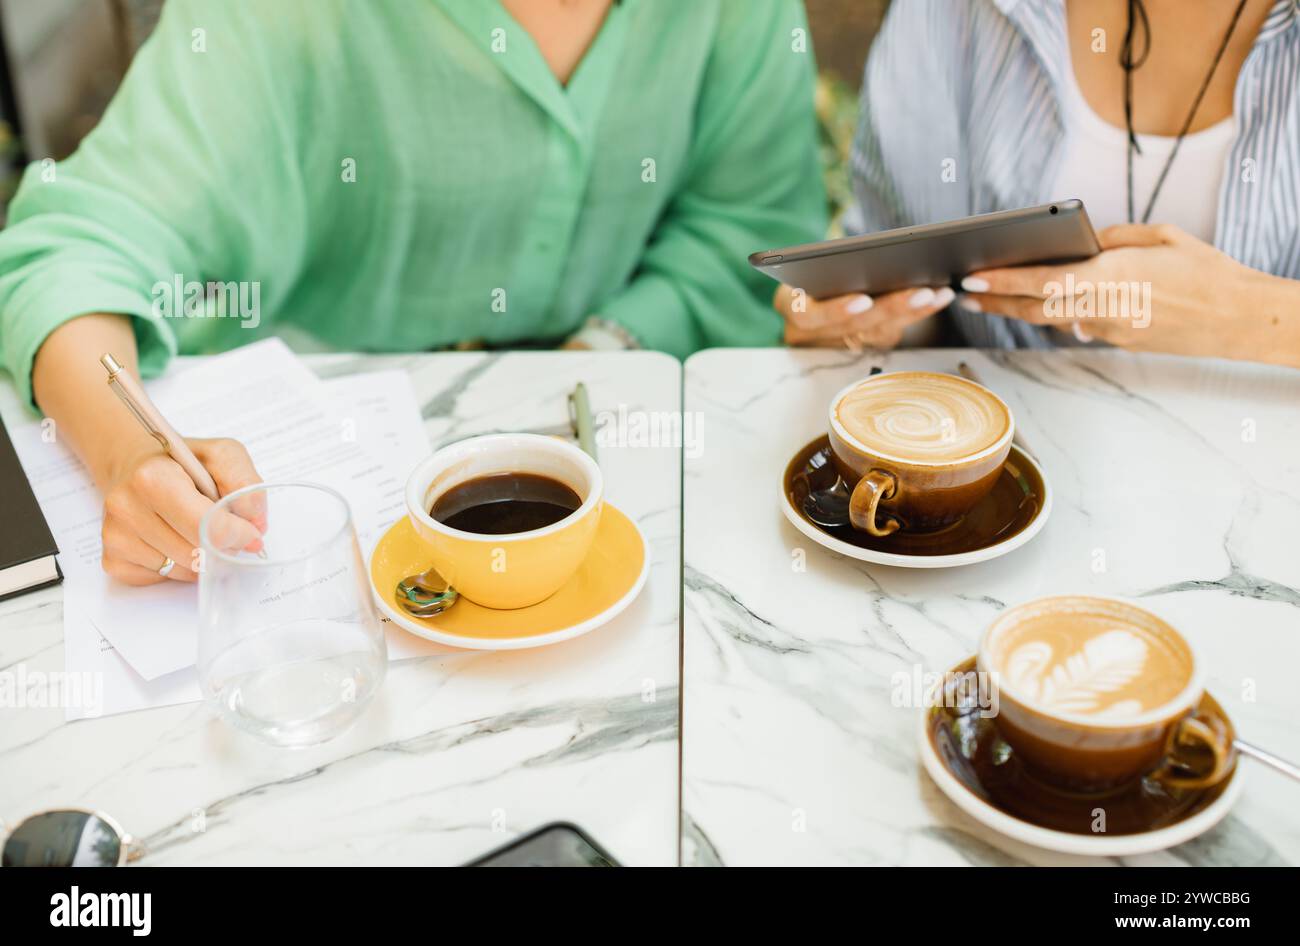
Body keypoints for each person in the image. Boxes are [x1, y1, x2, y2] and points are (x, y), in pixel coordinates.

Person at [0, 0, 825, 585]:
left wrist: (603, 349)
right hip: (298, 475)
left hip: (620, 446)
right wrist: (130, 455)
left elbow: (742, 234)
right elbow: (71, 252)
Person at [776, 0, 1300, 370]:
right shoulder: (950, 12)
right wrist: (870, 324)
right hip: (1007, 462)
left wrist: (1244, 316)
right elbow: (920, 296)